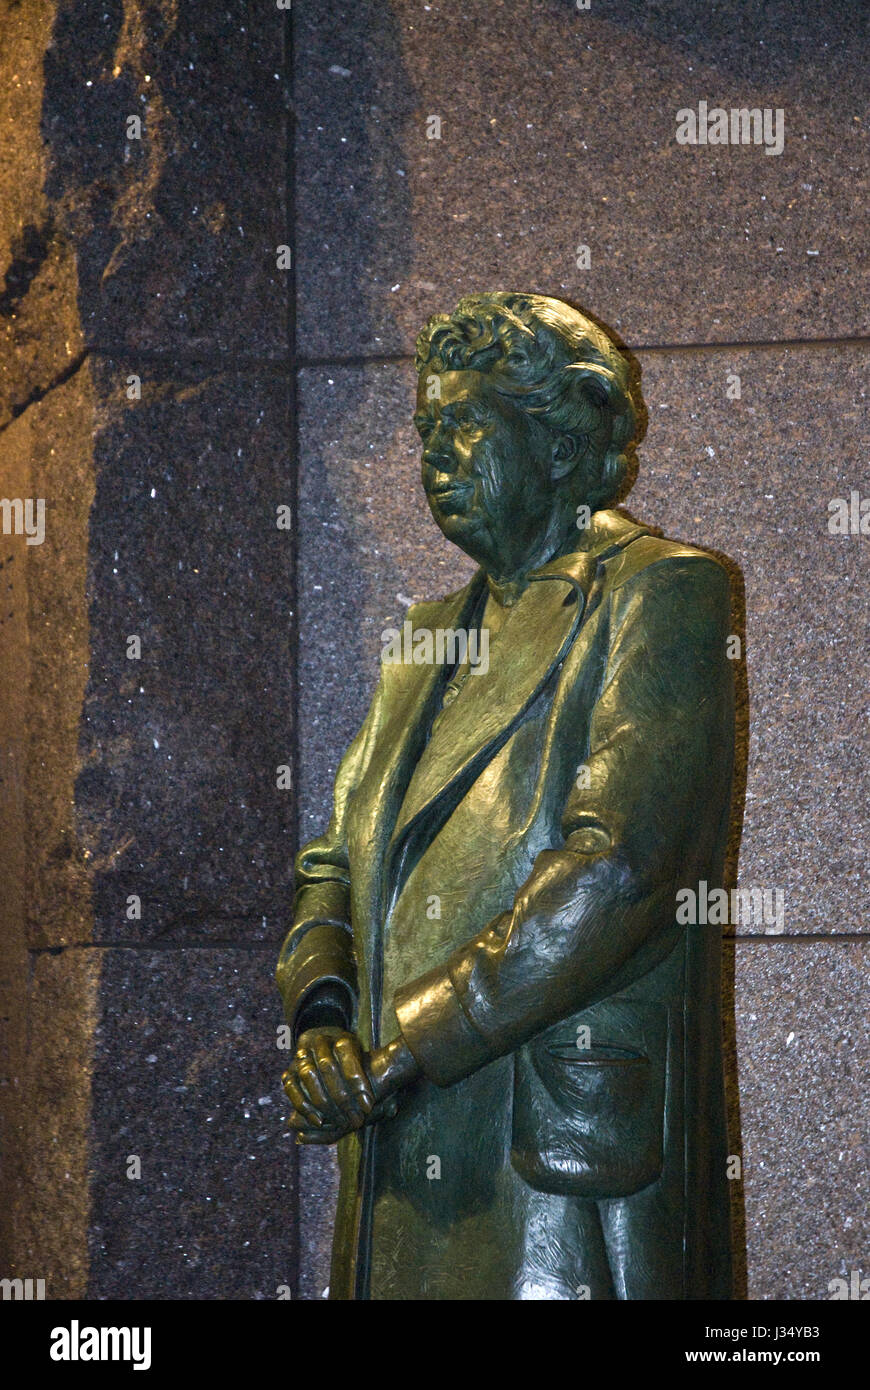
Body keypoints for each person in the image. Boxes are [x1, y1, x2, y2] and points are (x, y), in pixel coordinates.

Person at [277, 293, 735, 1300]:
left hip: (552, 1177)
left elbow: (619, 867)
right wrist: (321, 1021)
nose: (436, 454)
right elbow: (332, 864)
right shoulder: (424, 643)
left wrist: (407, 1047)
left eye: (466, 426)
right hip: (397, 1167)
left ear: (561, 446)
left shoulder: (662, 592)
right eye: (424, 431)